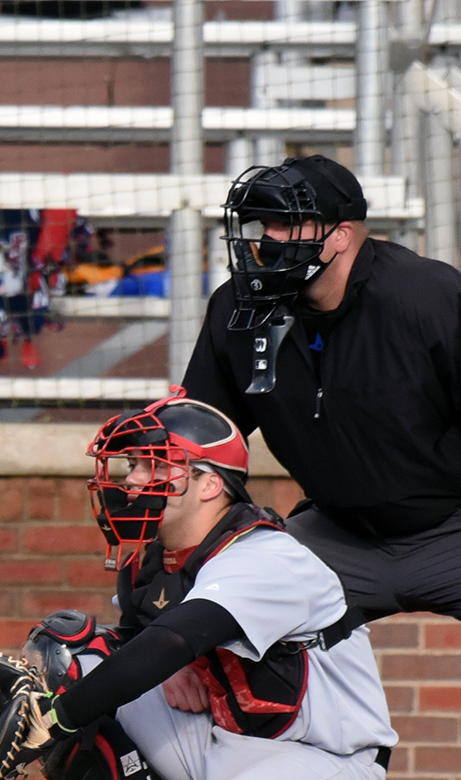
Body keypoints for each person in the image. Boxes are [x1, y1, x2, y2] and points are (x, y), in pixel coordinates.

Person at [9, 392, 461, 780]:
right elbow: (140, 651)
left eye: (155, 466)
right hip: (220, 742)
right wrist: (62, 698)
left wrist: (55, 720)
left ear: (209, 484)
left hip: (324, 762)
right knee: (65, 654)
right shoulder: (153, 562)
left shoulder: (265, 555)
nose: (133, 481)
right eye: (133, 466)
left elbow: (170, 642)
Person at [183, 155, 461, 631]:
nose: (269, 239)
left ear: (342, 235)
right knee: (201, 617)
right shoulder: (237, 309)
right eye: (264, 225)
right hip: (336, 534)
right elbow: (198, 438)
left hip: (451, 527)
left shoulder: (425, 296)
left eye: (287, 224)